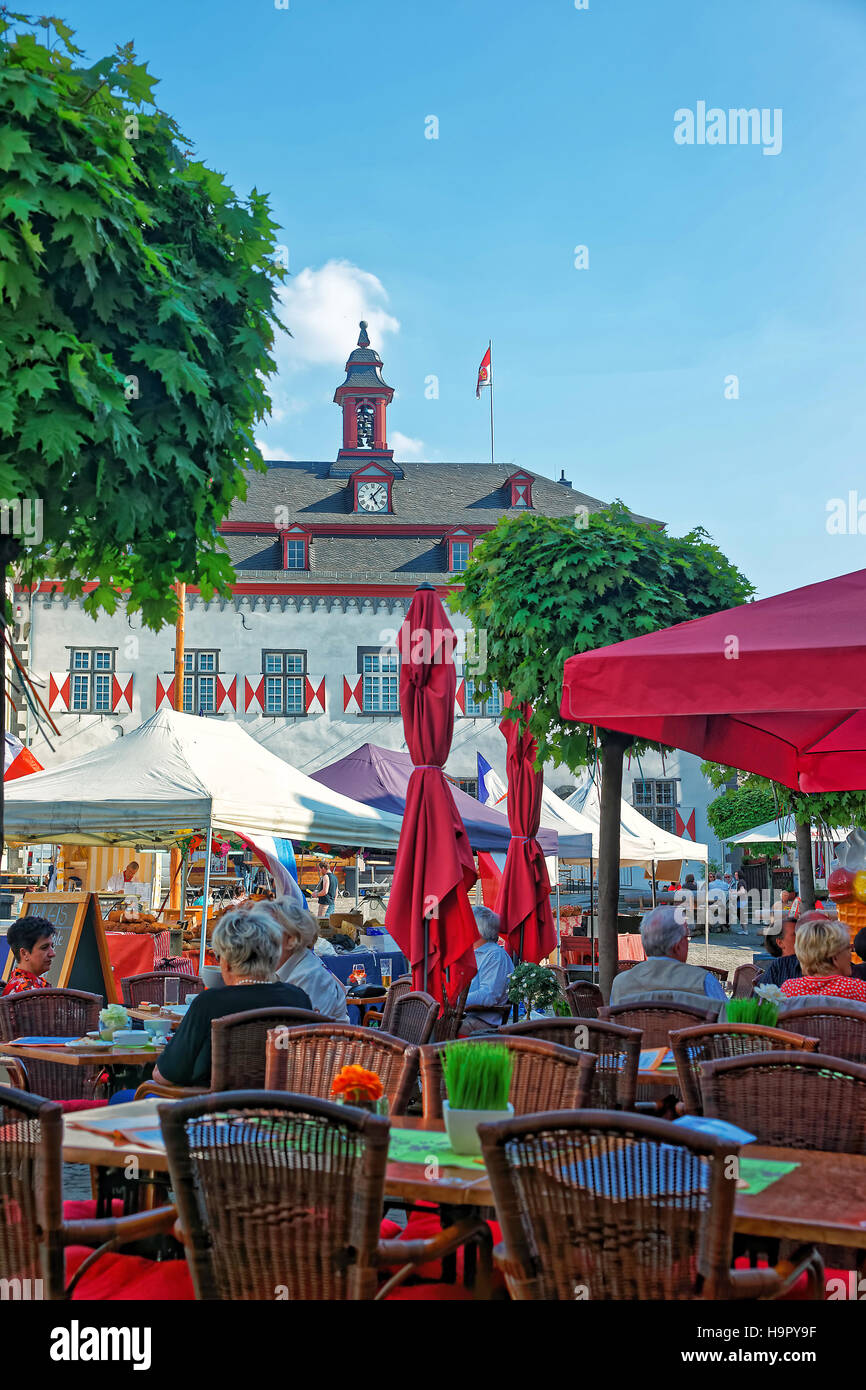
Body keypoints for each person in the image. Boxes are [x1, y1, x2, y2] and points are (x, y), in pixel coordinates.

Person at [152, 905, 312, 1088]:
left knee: (122, 1097)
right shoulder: (299, 999)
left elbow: (168, 1075)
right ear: (273, 958)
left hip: (215, 1111)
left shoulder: (210, 1003)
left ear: (226, 963)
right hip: (284, 1109)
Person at [608, 906, 727, 1009]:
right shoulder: (704, 982)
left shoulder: (620, 984)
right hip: (689, 1035)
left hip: (640, 1035)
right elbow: (730, 1024)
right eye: (687, 937)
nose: (688, 941)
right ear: (677, 946)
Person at [262, 897, 350, 1022]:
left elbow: (306, 1032)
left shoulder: (310, 976)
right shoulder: (289, 966)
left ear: (291, 939)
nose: (262, 936)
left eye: (271, 930)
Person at [780, 913, 866, 1003]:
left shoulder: (788, 990)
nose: (850, 955)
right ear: (835, 957)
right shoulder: (860, 990)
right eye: (848, 948)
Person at [458, 906, 514, 1035]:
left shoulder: (494, 956)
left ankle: (428, 1054)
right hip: (464, 1015)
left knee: (433, 1026)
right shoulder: (472, 953)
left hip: (482, 1021)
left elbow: (488, 996)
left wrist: (456, 1000)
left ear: (477, 930)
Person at [2, 916, 55, 996]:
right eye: (44, 947)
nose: (52, 954)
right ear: (24, 953)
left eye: (52, 946)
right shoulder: (27, 994)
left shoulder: (23, 985)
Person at [756, 915, 801, 988]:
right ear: (780, 943)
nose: (803, 936)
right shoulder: (778, 967)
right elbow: (761, 997)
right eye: (795, 934)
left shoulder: (815, 963)